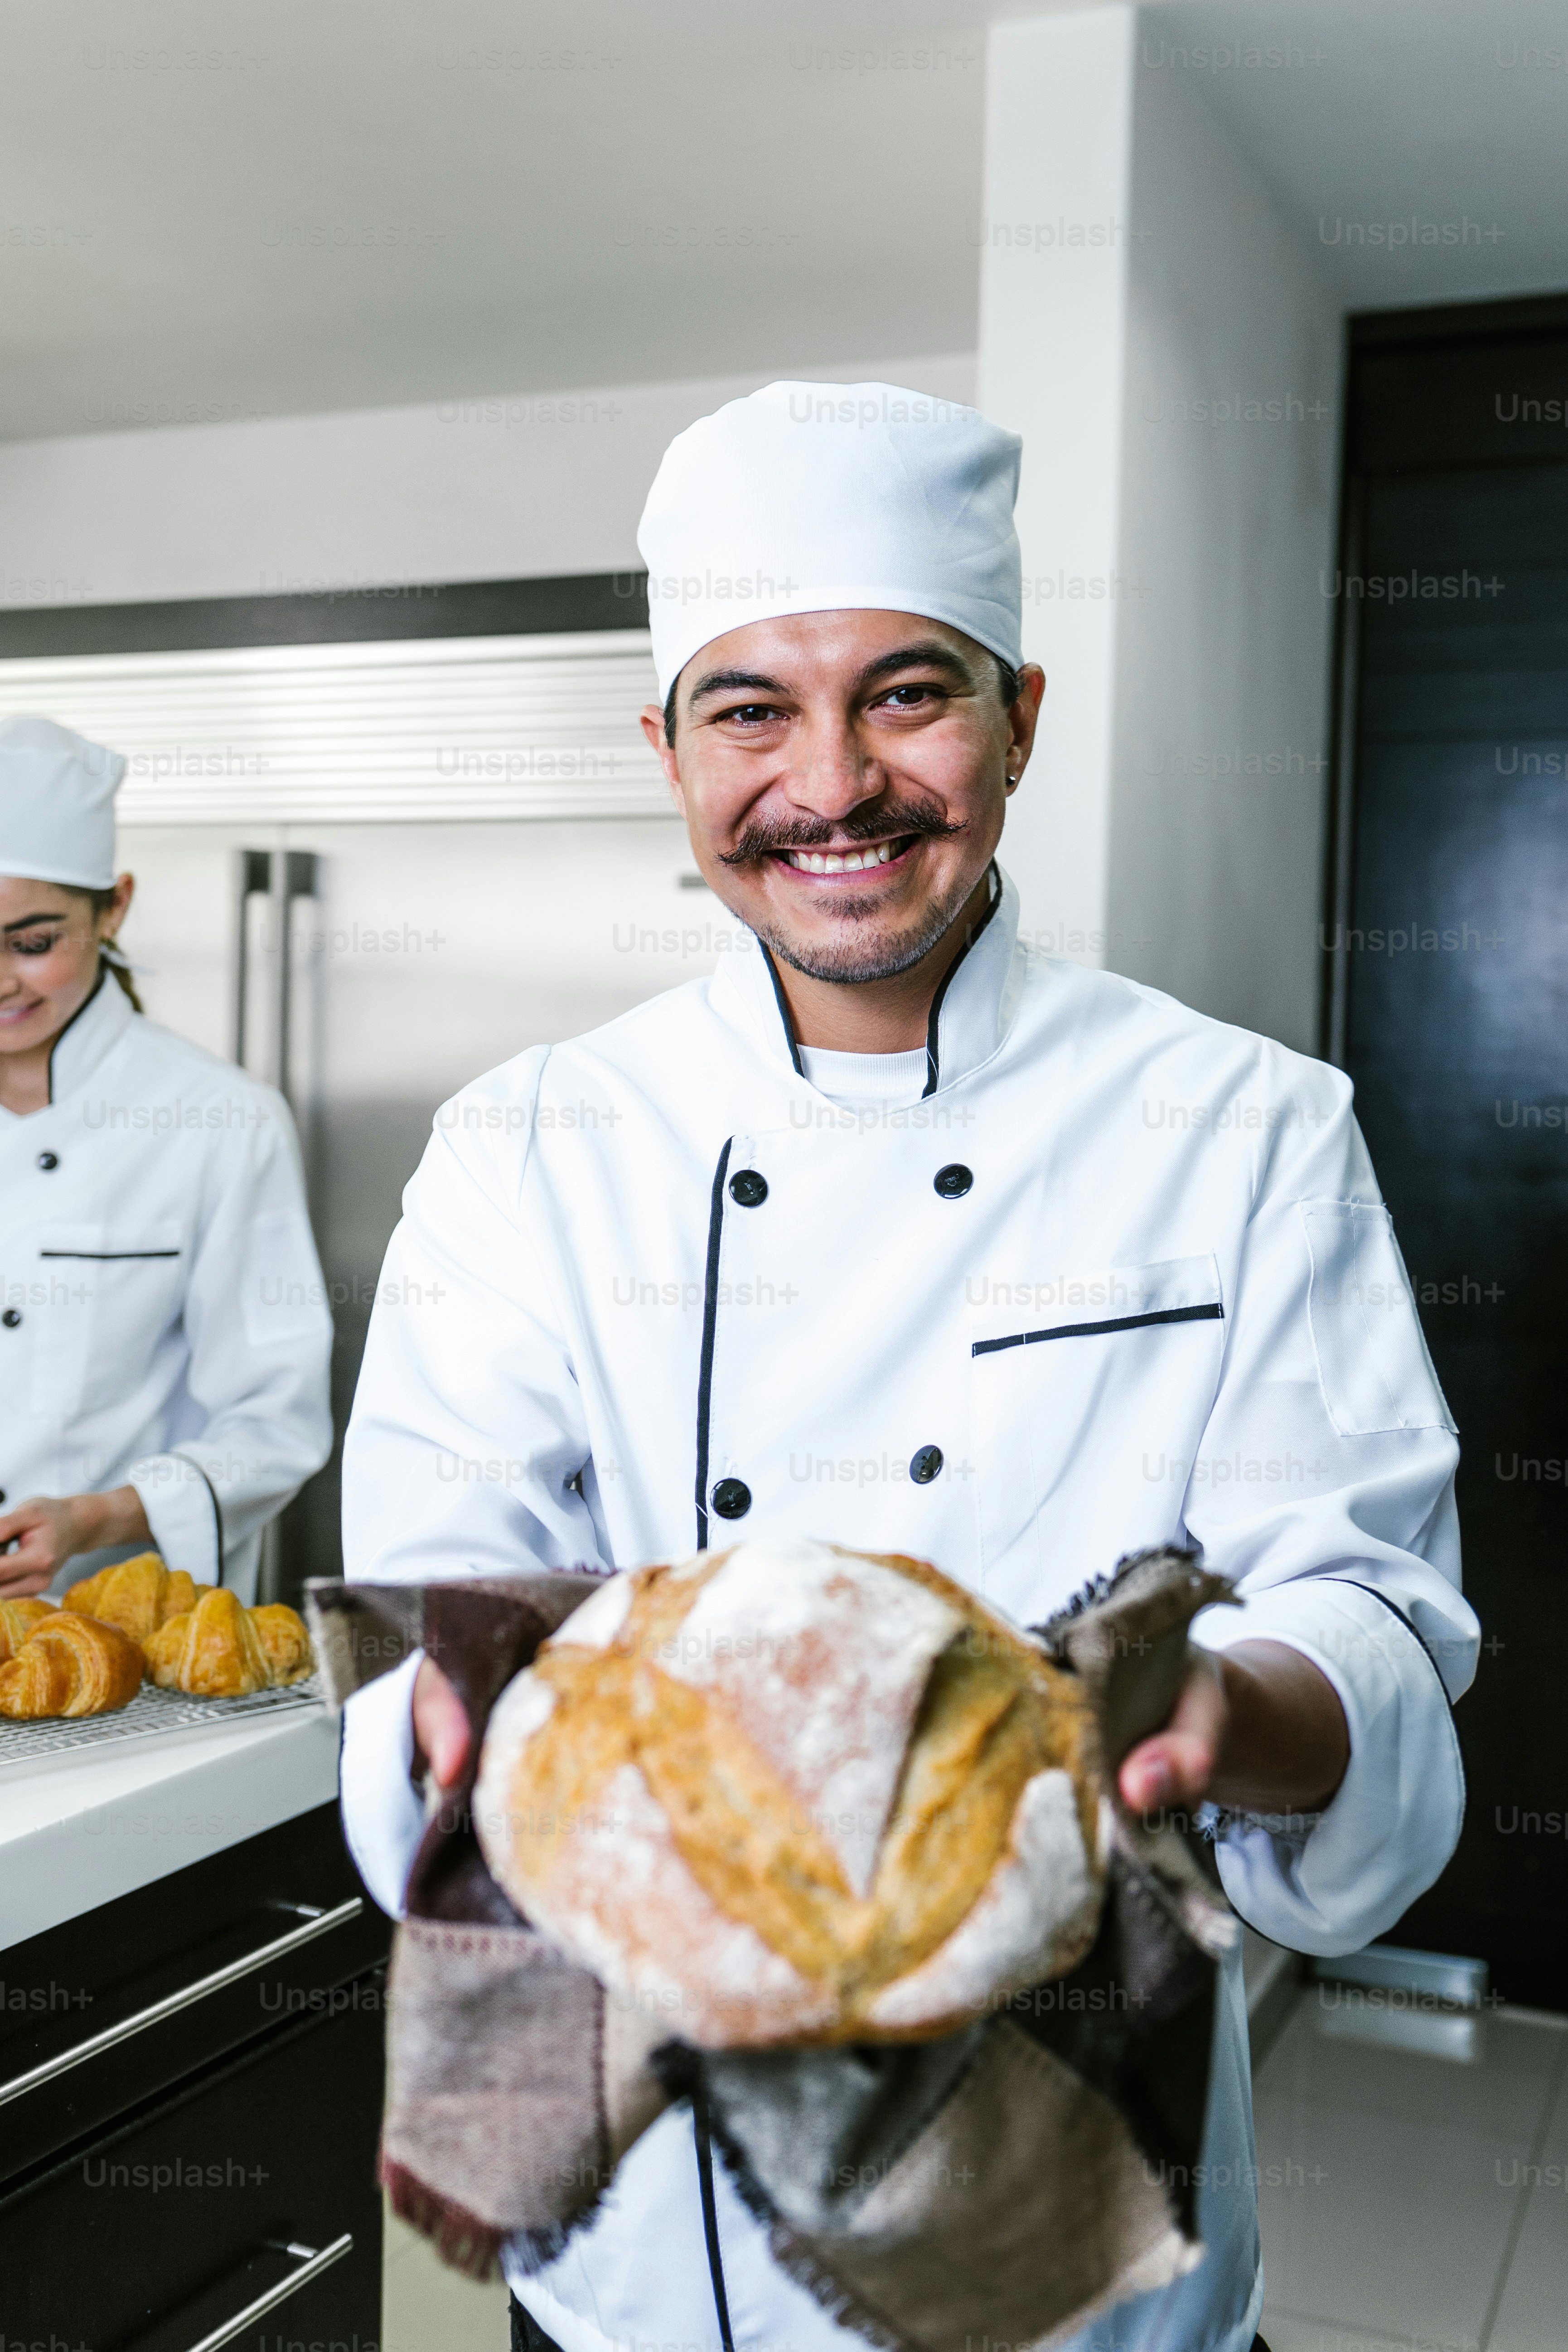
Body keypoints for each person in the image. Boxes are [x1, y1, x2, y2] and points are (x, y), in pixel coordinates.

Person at [338, 384, 1476, 2352]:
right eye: (749, 708)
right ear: (668, 752)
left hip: (1078, 2257)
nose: (832, 781)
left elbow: (1367, 1619)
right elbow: (432, 1646)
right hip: (641, 2271)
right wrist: (453, 1730)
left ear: (1020, 716)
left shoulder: (1242, 1126)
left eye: (907, 692)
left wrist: (1216, 1707)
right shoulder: (525, 1144)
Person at [0, 716, 332, 1603]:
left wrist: (97, 1520)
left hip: (118, 1633)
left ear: (114, 906)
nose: (0, 980)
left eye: (33, 943)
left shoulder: (220, 1123)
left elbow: (275, 1423)